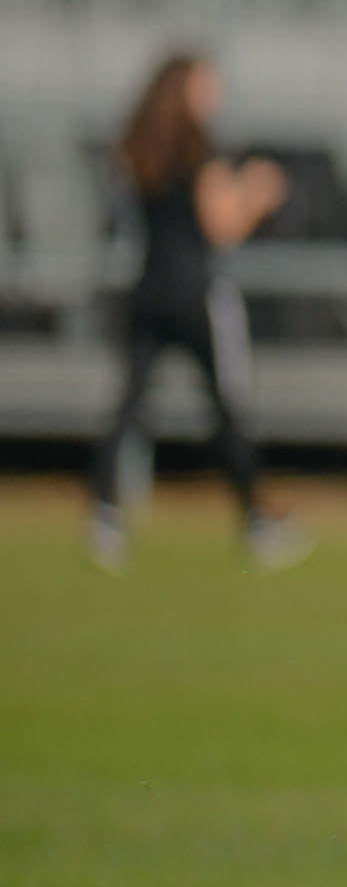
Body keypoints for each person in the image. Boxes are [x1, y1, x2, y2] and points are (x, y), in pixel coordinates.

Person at [88, 49, 304, 573]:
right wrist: (255, 194)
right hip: (195, 296)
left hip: (148, 289)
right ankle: (257, 518)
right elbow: (221, 226)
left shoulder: (139, 147)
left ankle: (104, 512)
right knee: (227, 408)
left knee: (130, 404)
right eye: (206, 85)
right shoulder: (202, 152)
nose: (214, 95)